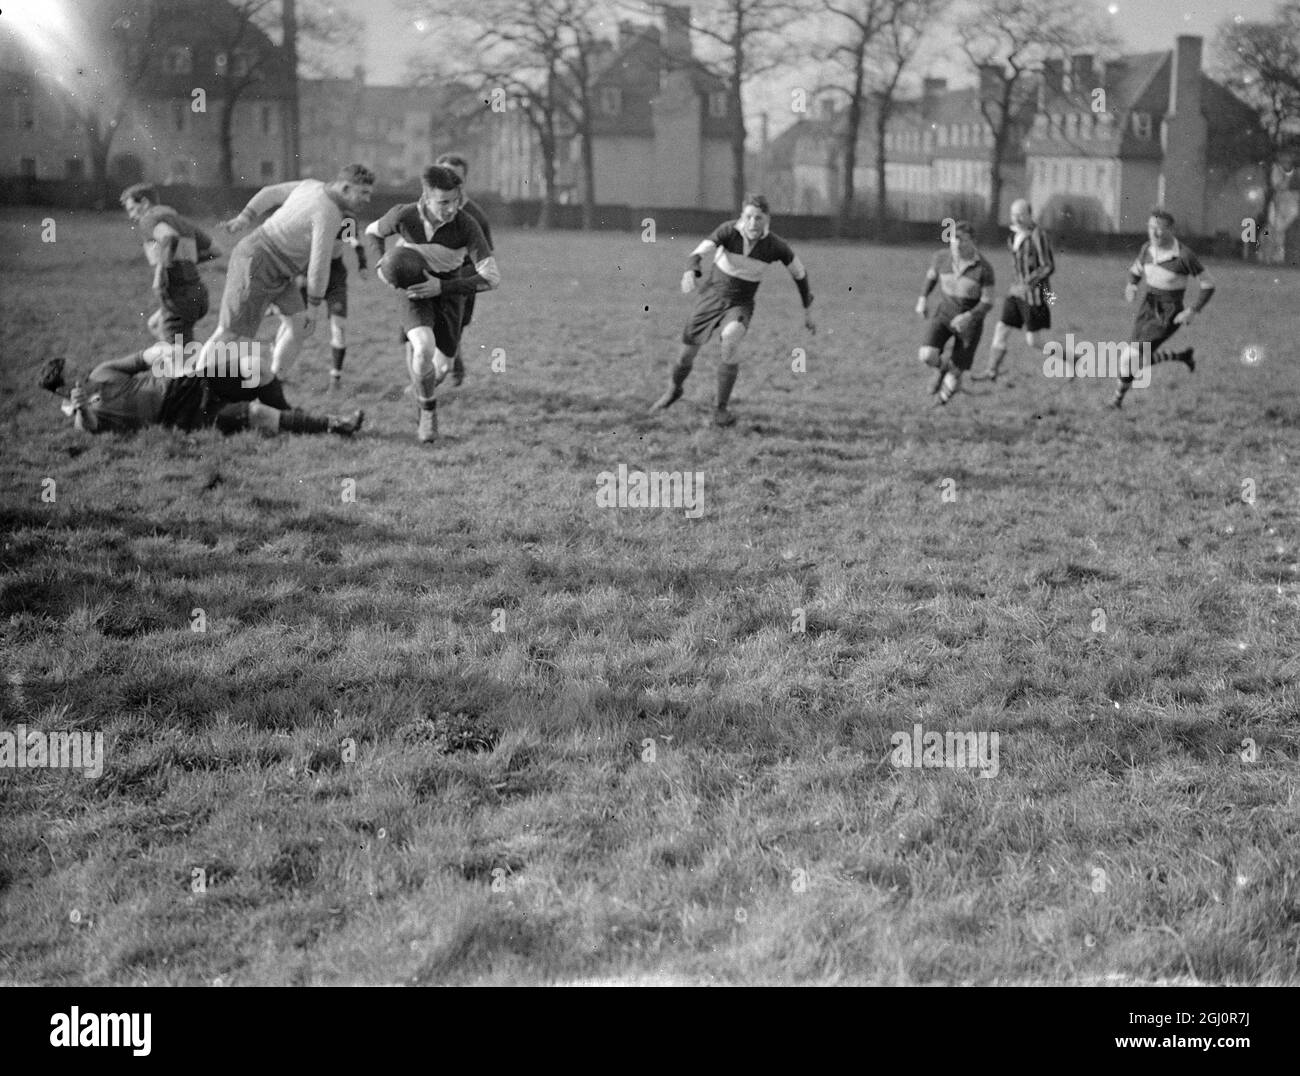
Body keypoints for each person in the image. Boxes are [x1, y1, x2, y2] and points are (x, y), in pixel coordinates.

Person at [198, 164, 376, 394]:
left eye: (369, 193)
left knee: (300, 329)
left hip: (282, 271)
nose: (368, 199)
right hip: (257, 260)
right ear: (344, 187)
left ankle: (271, 384)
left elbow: (269, 193)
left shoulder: (310, 185)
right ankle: (193, 390)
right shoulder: (329, 213)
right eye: (363, 193)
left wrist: (245, 217)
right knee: (230, 333)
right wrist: (313, 309)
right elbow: (318, 266)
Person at [650, 193, 815, 427]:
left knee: (730, 339)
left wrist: (807, 310)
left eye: (758, 218)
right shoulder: (728, 231)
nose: (752, 223)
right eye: (748, 217)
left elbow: (800, 274)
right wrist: (691, 271)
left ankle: (721, 410)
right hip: (711, 298)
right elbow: (697, 254)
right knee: (686, 356)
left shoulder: (775, 246)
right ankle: (674, 390)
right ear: (741, 216)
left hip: (740, 303)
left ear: (767, 220)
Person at [364, 164, 499, 443]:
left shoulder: (466, 225)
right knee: (423, 346)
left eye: (456, 201)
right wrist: (380, 263)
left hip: (449, 292)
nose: (451, 209)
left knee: (443, 368)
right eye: (443, 203)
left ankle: (422, 389)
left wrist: (443, 286)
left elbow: (492, 277)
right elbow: (371, 231)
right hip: (412, 289)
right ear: (426, 197)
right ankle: (428, 414)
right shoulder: (403, 215)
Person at [38, 352, 363, 437]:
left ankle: (294, 417)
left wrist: (170, 358)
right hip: (179, 415)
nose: (83, 368)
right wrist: (81, 408)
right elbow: (89, 427)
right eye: (74, 371)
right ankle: (335, 424)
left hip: (186, 382)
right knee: (255, 414)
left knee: (256, 367)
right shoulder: (79, 413)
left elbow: (145, 357)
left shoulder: (102, 372)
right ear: (65, 389)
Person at [1109, 208, 1213, 409]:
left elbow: (1209, 284)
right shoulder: (1147, 249)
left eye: (1160, 229)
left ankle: (1116, 401)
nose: (1154, 233)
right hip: (1146, 307)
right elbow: (1135, 271)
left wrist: (1192, 310)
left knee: (1129, 357)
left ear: (1171, 230)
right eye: (1151, 228)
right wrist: (1131, 285)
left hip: (1168, 313)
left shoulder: (1184, 256)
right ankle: (1182, 356)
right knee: (1133, 359)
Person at [119, 183, 216, 346]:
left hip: (179, 295)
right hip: (198, 293)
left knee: (178, 352)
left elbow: (169, 237)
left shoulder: (149, 218)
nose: (131, 216)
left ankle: (194, 367)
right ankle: (191, 363)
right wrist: (185, 260)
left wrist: (159, 273)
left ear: (144, 202)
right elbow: (215, 250)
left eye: (131, 209)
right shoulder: (180, 220)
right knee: (155, 325)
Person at [971, 199, 1054, 383]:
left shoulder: (1038, 235)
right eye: (1013, 214)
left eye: (1020, 214)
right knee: (1001, 329)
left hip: (1033, 296)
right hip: (1014, 293)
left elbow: (1048, 266)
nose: (1016, 218)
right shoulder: (1013, 236)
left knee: (1034, 341)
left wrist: (1029, 282)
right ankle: (991, 370)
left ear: (1029, 215)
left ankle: (1072, 358)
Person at [914, 220, 996, 406]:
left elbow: (988, 301)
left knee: (955, 376)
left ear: (973, 241)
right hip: (944, 315)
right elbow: (931, 277)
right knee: (926, 355)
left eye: (962, 240)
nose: (957, 244)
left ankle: (938, 404)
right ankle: (941, 370)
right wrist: (922, 299)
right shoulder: (941, 258)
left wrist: (968, 316)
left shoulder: (983, 268)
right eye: (953, 239)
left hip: (970, 323)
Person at [435, 153, 494, 387]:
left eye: (455, 176)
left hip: (458, 282)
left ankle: (447, 374)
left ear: (464, 180)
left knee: (452, 330)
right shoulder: (423, 209)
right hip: (428, 277)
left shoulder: (476, 216)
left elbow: (485, 258)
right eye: (443, 174)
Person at [295, 214, 367, 392]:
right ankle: (278, 364)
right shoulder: (313, 215)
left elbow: (355, 243)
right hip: (309, 274)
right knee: (296, 325)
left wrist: (363, 264)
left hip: (335, 278)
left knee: (339, 327)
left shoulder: (347, 220)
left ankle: (335, 378)